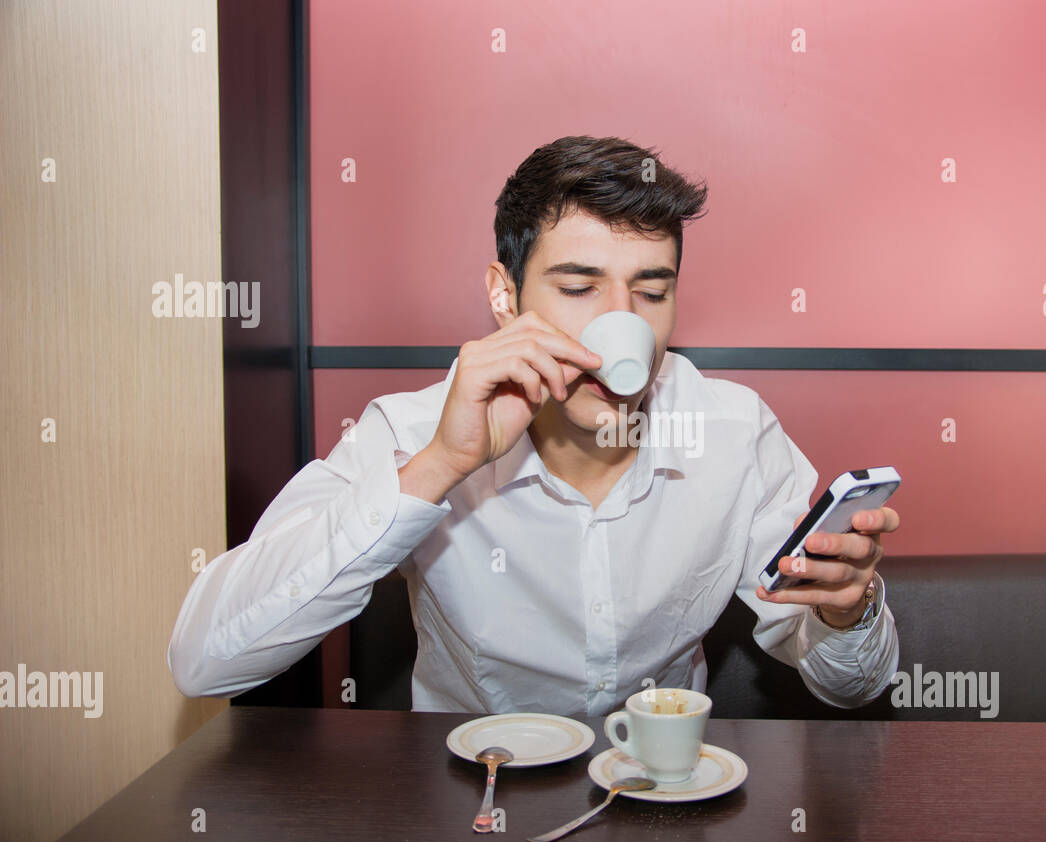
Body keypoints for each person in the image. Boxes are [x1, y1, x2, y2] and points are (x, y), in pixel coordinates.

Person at [168, 135, 901, 716]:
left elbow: (851, 687)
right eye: (579, 288)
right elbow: (203, 662)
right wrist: (436, 469)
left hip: (663, 800)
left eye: (652, 291)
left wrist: (845, 614)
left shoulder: (732, 432)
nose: (624, 327)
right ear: (504, 294)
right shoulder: (413, 429)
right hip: (471, 803)